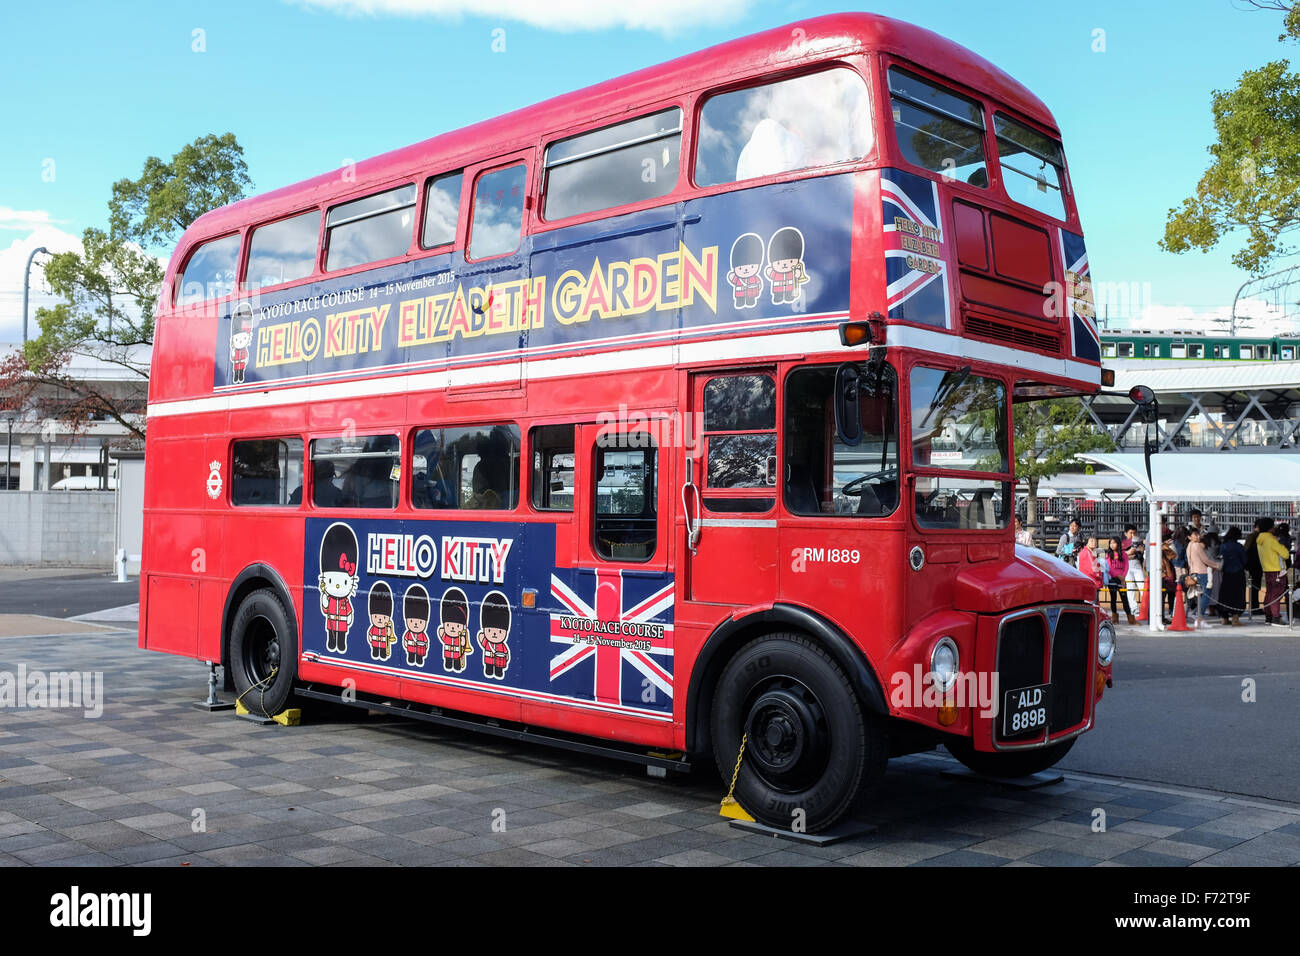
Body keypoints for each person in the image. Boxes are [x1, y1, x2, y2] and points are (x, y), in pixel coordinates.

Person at [1255, 517, 1291, 626]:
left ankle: (1269, 616)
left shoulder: (1260, 539)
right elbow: (1285, 554)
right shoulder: (1271, 539)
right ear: (1270, 527)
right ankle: (1276, 617)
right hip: (1277, 570)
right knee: (1276, 594)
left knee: (1269, 593)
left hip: (1267, 570)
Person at [1186, 528, 1221, 628]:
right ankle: (1199, 616)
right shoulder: (1197, 545)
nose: (1198, 536)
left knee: (1201, 595)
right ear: (1189, 537)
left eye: (1198, 534)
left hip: (1194, 572)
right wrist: (1216, 565)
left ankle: (1197, 615)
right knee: (1207, 594)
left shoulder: (1190, 545)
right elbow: (1205, 559)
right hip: (1202, 572)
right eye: (1195, 534)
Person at [1218, 527, 1248, 626]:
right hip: (1238, 573)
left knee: (1225, 595)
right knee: (1238, 596)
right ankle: (1235, 618)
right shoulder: (1239, 547)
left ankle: (1224, 618)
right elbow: (1244, 560)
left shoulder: (1223, 546)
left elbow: (1220, 559)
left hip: (1226, 574)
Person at [1105, 537, 1136, 624]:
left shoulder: (1124, 554)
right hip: (1112, 579)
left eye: (1114, 543)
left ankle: (1130, 618)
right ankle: (1115, 618)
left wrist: (1123, 577)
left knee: (1124, 598)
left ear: (1118, 544)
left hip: (1122, 579)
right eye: (1110, 543)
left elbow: (1126, 566)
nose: (1112, 545)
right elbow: (1109, 567)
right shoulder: (1108, 554)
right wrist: (1118, 576)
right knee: (1113, 598)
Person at [1122, 524, 1146, 621]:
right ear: (1125, 533)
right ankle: (1134, 608)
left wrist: (1141, 550)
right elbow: (1119, 554)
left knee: (1142, 586)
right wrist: (1128, 553)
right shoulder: (1123, 543)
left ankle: (1145, 607)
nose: (1132, 535)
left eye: (1134, 533)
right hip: (1127, 567)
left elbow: (1142, 556)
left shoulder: (1139, 541)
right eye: (1130, 533)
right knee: (1130, 587)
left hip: (1137, 565)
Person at [1078, 535, 1103, 611]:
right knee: (1091, 606)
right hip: (1092, 581)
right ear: (1087, 543)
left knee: (1092, 605)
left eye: (1095, 541)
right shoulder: (1087, 552)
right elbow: (1093, 569)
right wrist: (1099, 576)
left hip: (1091, 581)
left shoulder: (1089, 552)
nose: (1094, 542)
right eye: (1091, 541)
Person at [1245, 523, 1263, 620]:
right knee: (1255, 586)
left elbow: (1246, 548)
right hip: (1256, 564)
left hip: (1252, 564)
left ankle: (1254, 606)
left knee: (1254, 586)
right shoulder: (1257, 536)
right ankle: (1254, 607)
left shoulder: (1251, 536)